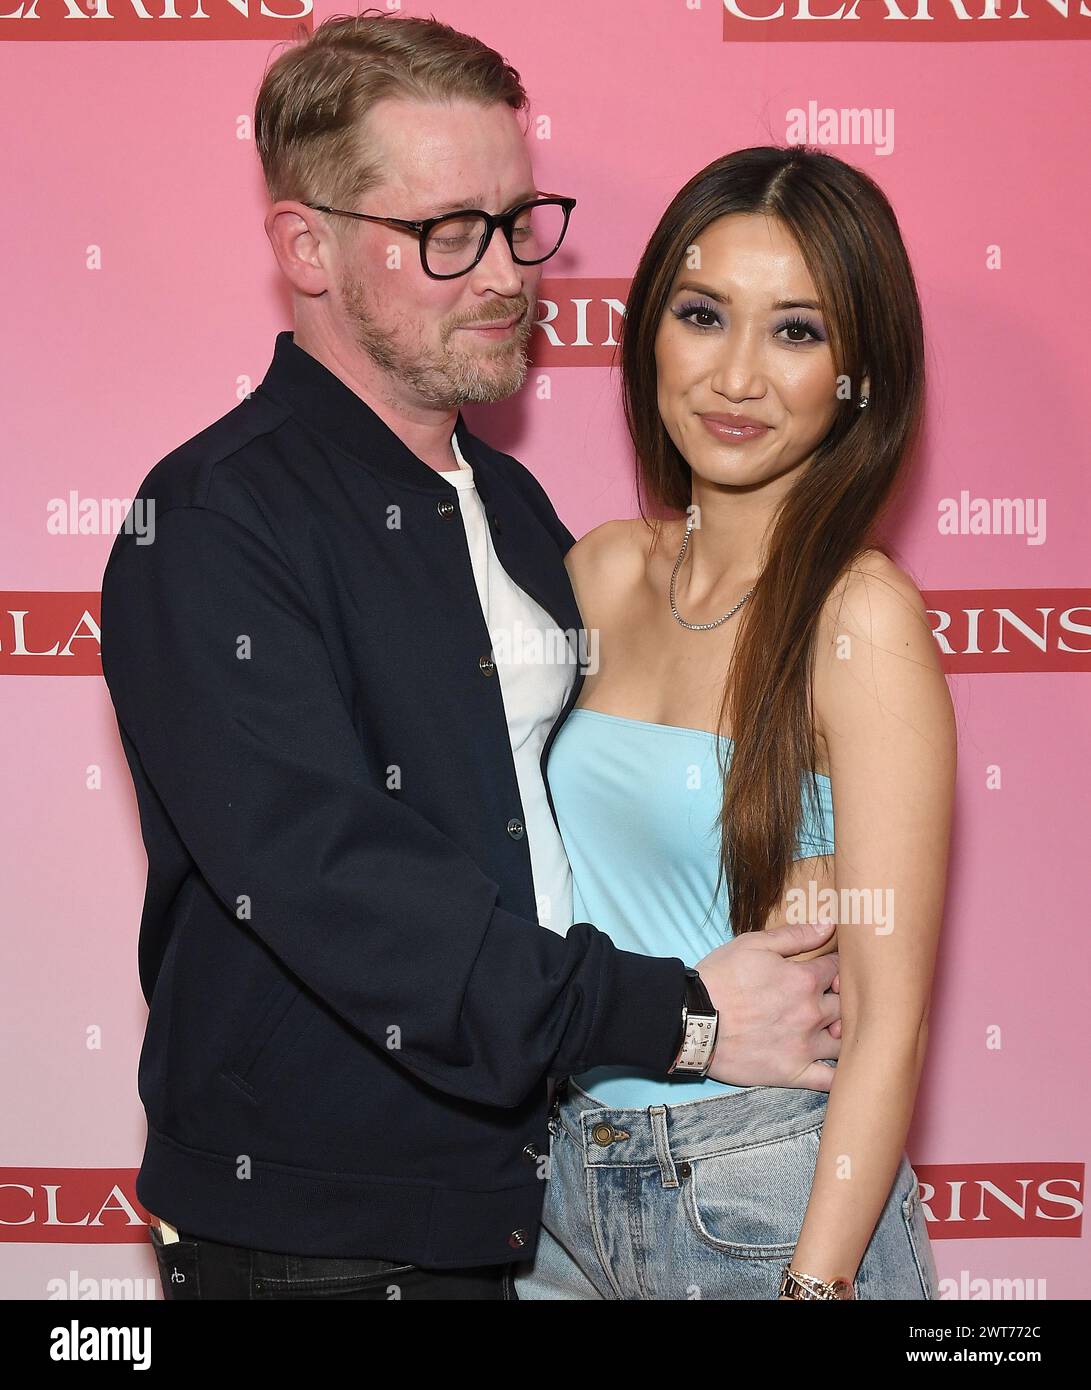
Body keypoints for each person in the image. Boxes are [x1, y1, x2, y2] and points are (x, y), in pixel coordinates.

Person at [99, 15, 844, 1302]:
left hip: (537, 1201)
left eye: (518, 220)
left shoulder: (505, 503)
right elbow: (340, 885)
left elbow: (590, 798)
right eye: (447, 233)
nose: (504, 273)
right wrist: (677, 1013)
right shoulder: (214, 522)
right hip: (321, 1234)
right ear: (306, 246)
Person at [513, 146, 956, 1300]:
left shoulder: (857, 617)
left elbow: (886, 1027)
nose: (737, 376)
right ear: (649, 329)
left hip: (766, 1192)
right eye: (703, 315)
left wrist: (815, 1285)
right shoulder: (599, 573)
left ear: (859, 370)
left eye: (796, 332)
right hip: (557, 1193)